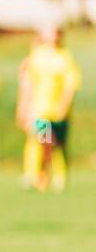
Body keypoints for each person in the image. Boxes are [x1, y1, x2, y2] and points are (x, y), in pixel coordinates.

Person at [17, 20, 81, 192]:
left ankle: (59, 177)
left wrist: (64, 105)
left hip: (59, 111)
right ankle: (36, 174)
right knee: (42, 140)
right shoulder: (36, 56)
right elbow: (27, 83)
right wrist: (24, 107)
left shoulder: (65, 57)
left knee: (58, 145)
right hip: (40, 110)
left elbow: (71, 85)